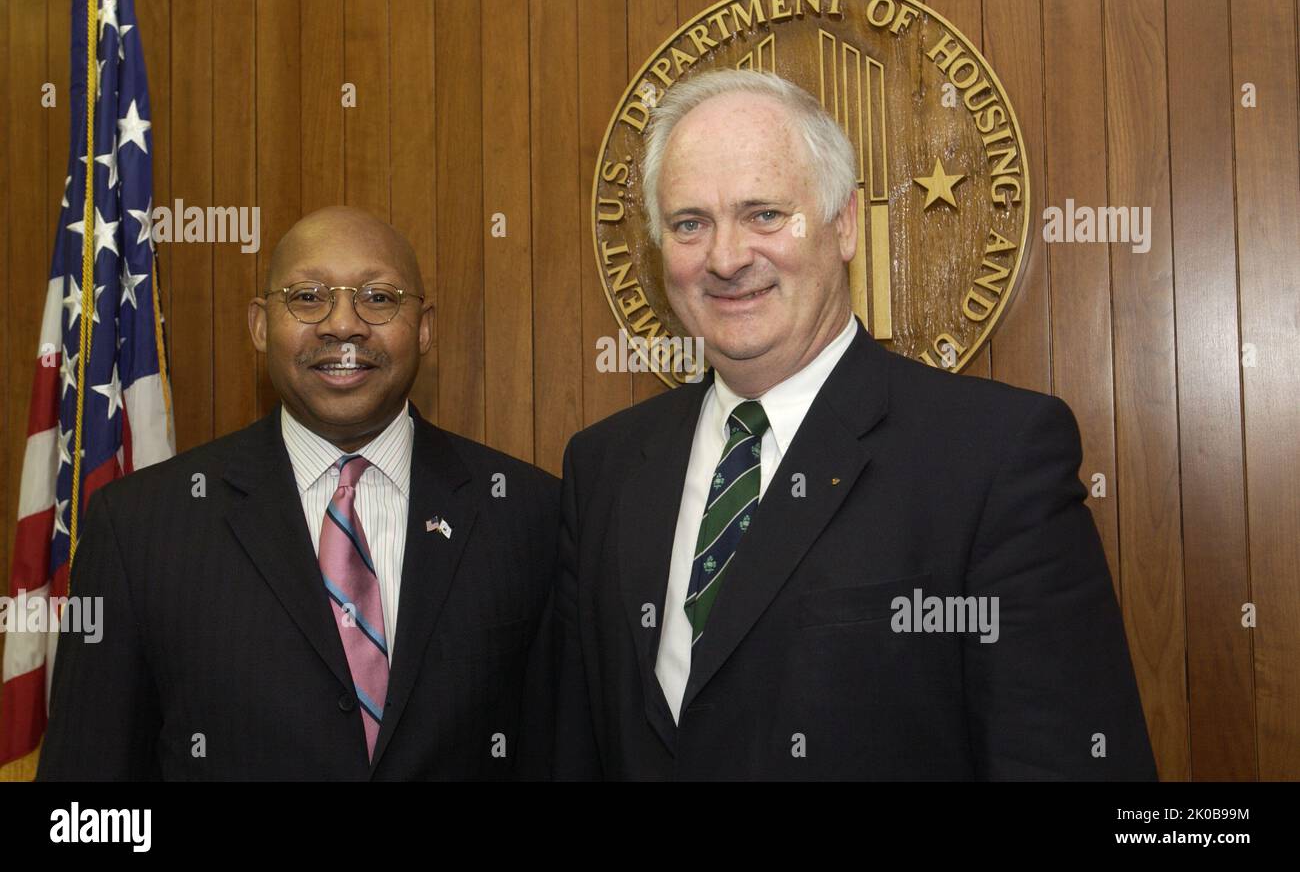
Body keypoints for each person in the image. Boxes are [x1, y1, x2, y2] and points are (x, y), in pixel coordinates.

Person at [555, 70, 1157, 780]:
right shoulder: (605, 467)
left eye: (764, 214)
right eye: (690, 223)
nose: (725, 258)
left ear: (843, 224)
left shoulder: (993, 459)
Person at [39, 206, 558, 780]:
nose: (343, 325)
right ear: (260, 326)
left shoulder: (528, 514)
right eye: (308, 296)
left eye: (379, 298)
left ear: (426, 327)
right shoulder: (140, 527)